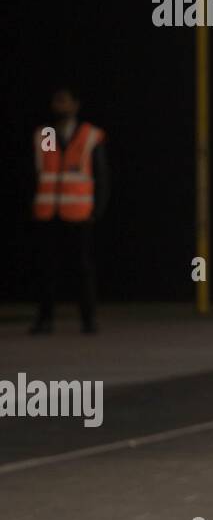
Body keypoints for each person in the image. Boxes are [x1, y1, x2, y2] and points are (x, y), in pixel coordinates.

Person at [29, 85, 110, 335]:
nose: (60, 106)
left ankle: (88, 319)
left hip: (78, 212)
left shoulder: (88, 135)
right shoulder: (47, 134)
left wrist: (97, 209)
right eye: (57, 101)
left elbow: (101, 175)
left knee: (82, 268)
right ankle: (45, 319)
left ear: (76, 104)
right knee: (47, 268)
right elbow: (39, 170)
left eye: (65, 101)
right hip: (49, 211)